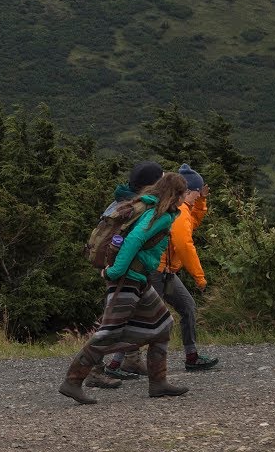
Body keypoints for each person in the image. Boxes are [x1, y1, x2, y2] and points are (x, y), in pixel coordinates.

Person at [59, 171, 190, 404]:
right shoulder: (160, 216)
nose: (186, 197)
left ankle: (158, 382)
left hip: (138, 279)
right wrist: (115, 272)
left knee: (164, 324)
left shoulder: (152, 207)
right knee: (108, 333)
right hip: (127, 279)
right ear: (176, 195)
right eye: (184, 193)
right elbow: (134, 240)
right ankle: (72, 381)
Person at [84, 160, 163, 389]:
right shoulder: (139, 207)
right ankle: (91, 371)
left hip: (120, 267)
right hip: (124, 270)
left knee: (132, 313)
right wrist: (118, 270)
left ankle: (131, 359)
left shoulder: (121, 201)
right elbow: (134, 241)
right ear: (151, 184)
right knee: (110, 322)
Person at [155, 163, 220, 371]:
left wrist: (201, 202)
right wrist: (199, 277)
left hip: (166, 273)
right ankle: (117, 361)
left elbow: (192, 223)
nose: (198, 195)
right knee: (144, 317)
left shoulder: (184, 209)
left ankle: (192, 356)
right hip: (156, 272)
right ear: (187, 191)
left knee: (187, 307)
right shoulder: (180, 211)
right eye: (197, 192)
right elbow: (184, 245)